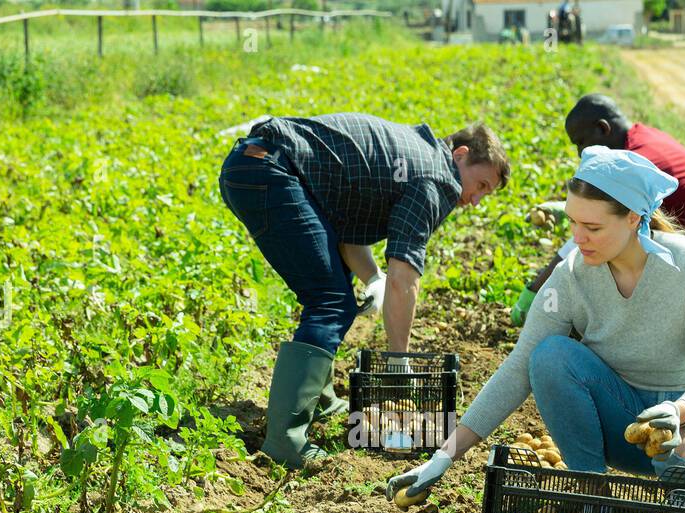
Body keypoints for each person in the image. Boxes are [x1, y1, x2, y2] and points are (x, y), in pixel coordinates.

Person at [387, 147, 685, 506]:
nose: (577, 240)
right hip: (630, 422)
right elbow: (518, 368)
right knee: (549, 356)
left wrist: (678, 412)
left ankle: (684, 506)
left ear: (633, 218)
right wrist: (443, 457)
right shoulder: (571, 277)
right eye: (573, 223)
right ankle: (591, 496)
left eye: (592, 227)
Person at [219, 113, 510, 468]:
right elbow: (404, 277)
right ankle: (284, 440)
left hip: (258, 163)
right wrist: (399, 360)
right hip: (271, 171)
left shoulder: (420, 153)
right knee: (329, 300)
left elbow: (347, 236)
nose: (476, 199)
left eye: (486, 194)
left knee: (334, 290)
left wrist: (373, 278)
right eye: (480, 185)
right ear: (460, 154)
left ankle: (320, 399)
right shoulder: (437, 179)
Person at [510, 94, 685, 325]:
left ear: (602, 129)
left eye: (581, 142)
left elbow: (594, 228)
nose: (580, 153)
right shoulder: (641, 139)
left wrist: (538, 288)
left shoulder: (641, 162)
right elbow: (607, 209)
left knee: (602, 252)